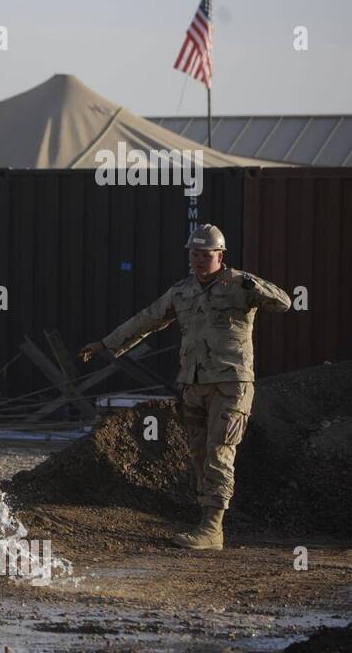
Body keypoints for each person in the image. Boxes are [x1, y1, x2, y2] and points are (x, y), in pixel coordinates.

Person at [79, 224, 291, 550]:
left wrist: (253, 284)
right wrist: (105, 344)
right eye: (194, 254)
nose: (199, 260)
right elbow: (146, 319)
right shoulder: (182, 292)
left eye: (206, 255)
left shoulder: (239, 285)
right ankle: (206, 521)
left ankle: (212, 528)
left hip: (230, 383)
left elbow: (283, 303)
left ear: (220, 256)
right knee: (199, 454)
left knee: (220, 452)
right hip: (193, 384)